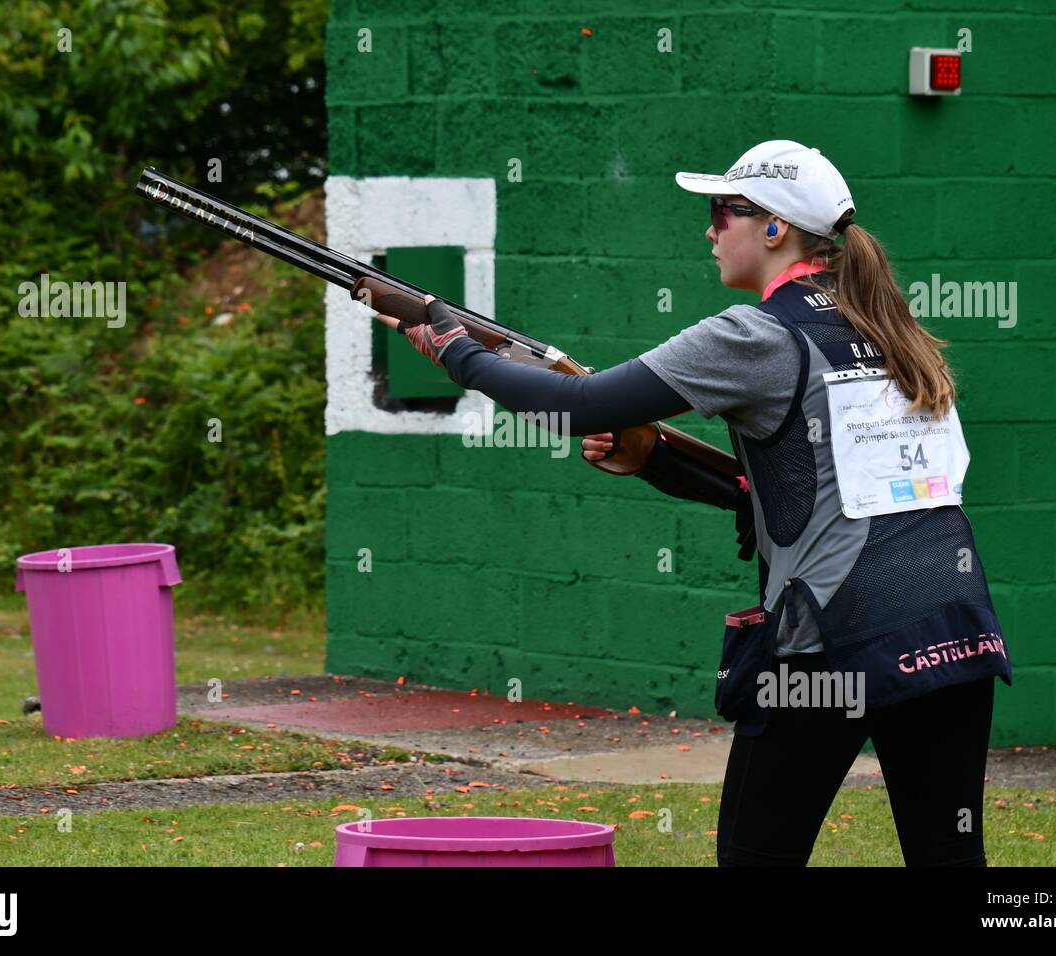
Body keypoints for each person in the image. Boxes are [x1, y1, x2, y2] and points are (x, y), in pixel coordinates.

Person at [373, 139, 1012, 867]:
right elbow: (792, 492)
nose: (710, 230)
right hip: (955, 632)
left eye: (723, 212)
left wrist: (457, 349)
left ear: (774, 228)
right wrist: (653, 458)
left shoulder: (755, 335)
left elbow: (575, 404)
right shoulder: (892, 331)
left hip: (827, 642)